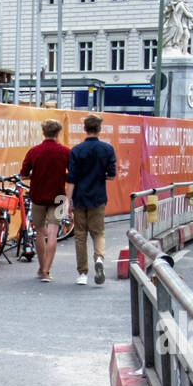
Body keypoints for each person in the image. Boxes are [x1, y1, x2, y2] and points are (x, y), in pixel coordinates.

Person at [65, 114, 116, 285]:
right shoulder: (107, 150)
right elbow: (111, 175)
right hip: (98, 197)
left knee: (80, 235)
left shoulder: (76, 151)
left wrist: (68, 201)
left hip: (80, 197)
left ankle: (82, 273)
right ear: (99, 129)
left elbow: (71, 178)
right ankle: (99, 258)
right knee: (98, 232)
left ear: (84, 129)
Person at [18, 119, 71, 282]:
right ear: (58, 133)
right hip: (58, 196)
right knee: (53, 233)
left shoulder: (34, 151)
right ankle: (47, 271)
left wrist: (36, 175)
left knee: (40, 233)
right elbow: (72, 174)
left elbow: (24, 174)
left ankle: (41, 268)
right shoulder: (65, 152)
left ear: (44, 133)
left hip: (38, 196)